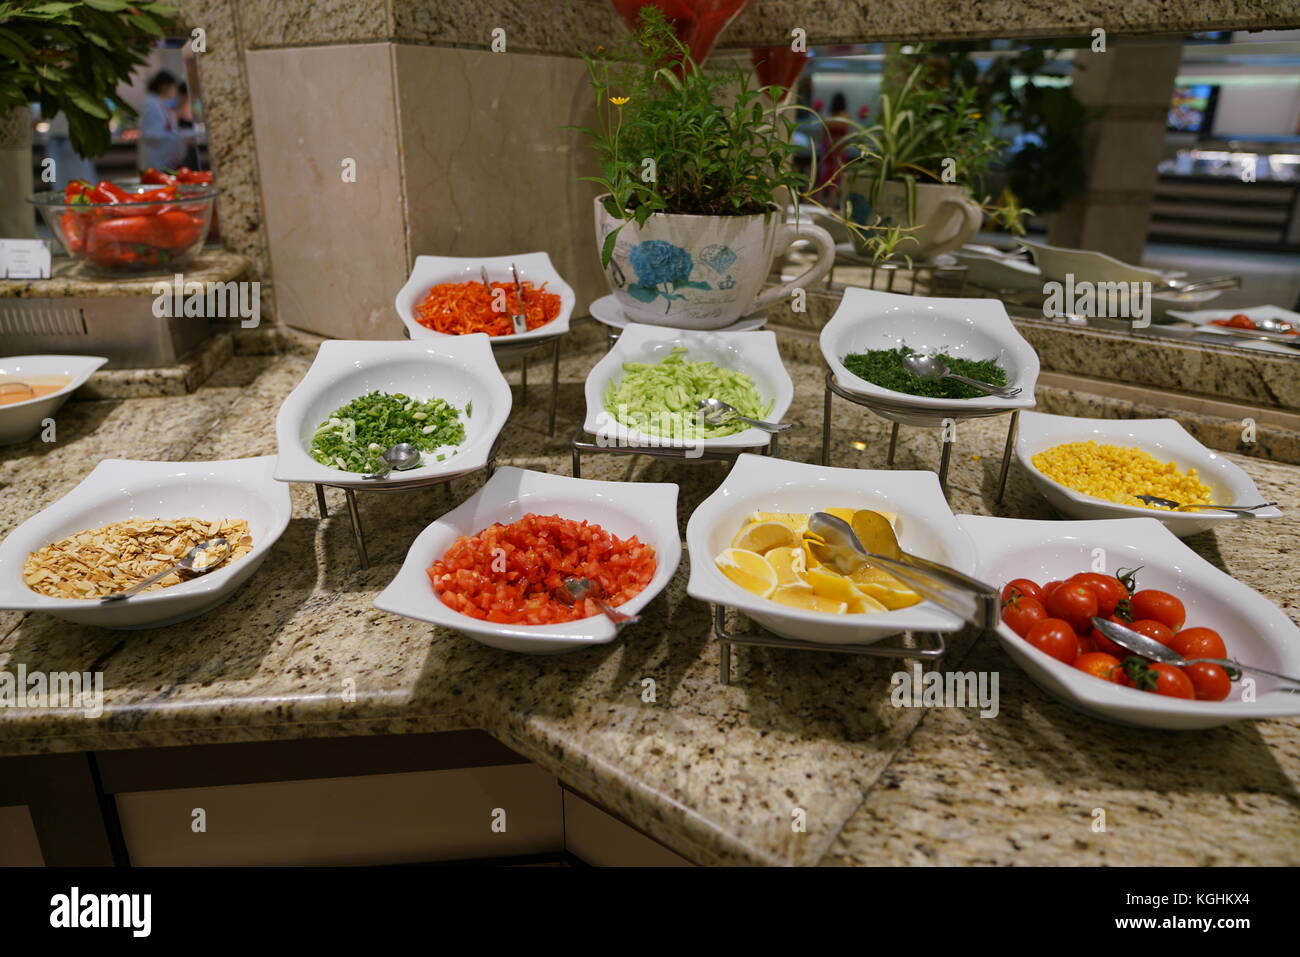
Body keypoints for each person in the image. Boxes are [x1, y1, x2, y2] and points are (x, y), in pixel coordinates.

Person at [137, 70, 186, 172]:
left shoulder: (159, 102)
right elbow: (151, 133)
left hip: (164, 158)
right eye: (173, 87)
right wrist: (173, 136)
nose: (174, 91)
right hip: (155, 158)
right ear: (164, 86)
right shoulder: (150, 103)